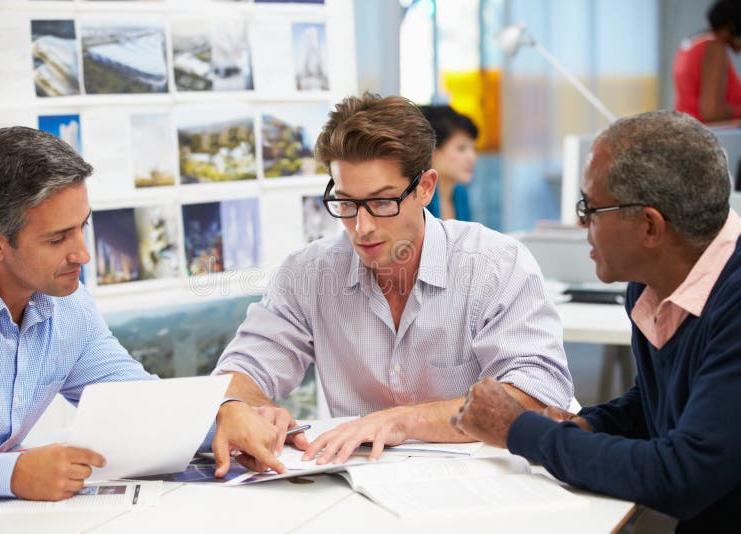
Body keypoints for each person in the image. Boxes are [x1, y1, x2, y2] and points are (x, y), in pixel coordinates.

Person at [212, 93, 573, 470]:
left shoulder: (495, 264)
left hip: (483, 484)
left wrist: (405, 420)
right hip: (356, 485)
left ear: (425, 187)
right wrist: (243, 407)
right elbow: (240, 371)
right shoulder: (308, 273)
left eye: (383, 202)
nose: (362, 227)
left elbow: (540, 394)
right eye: (346, 203)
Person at [0, 127, 286, 502]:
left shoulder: (67, 305)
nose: (83, 255)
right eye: (57, 239)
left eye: (83, 227)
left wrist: (225, 415)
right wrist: (10, 475)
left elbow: (134, 399)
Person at [452, 110, 741, 533]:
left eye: (590, 208)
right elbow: (658, 404)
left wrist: (519, 430)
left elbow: (684, 475)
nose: (580, 223)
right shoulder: (652, 283)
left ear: (649, 226)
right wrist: (591, 424)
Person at [673, 0, 741, 123]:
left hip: (685, 126)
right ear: (732, 26)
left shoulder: (692, 42)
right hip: (704, 130)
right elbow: (711, 112)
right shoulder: (714, 48)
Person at [419, 105, 478, 221]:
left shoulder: (461, 194)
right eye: (461, 148)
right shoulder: (416, 199)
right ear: (432, 151)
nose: (472, 157)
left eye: (474, 149)